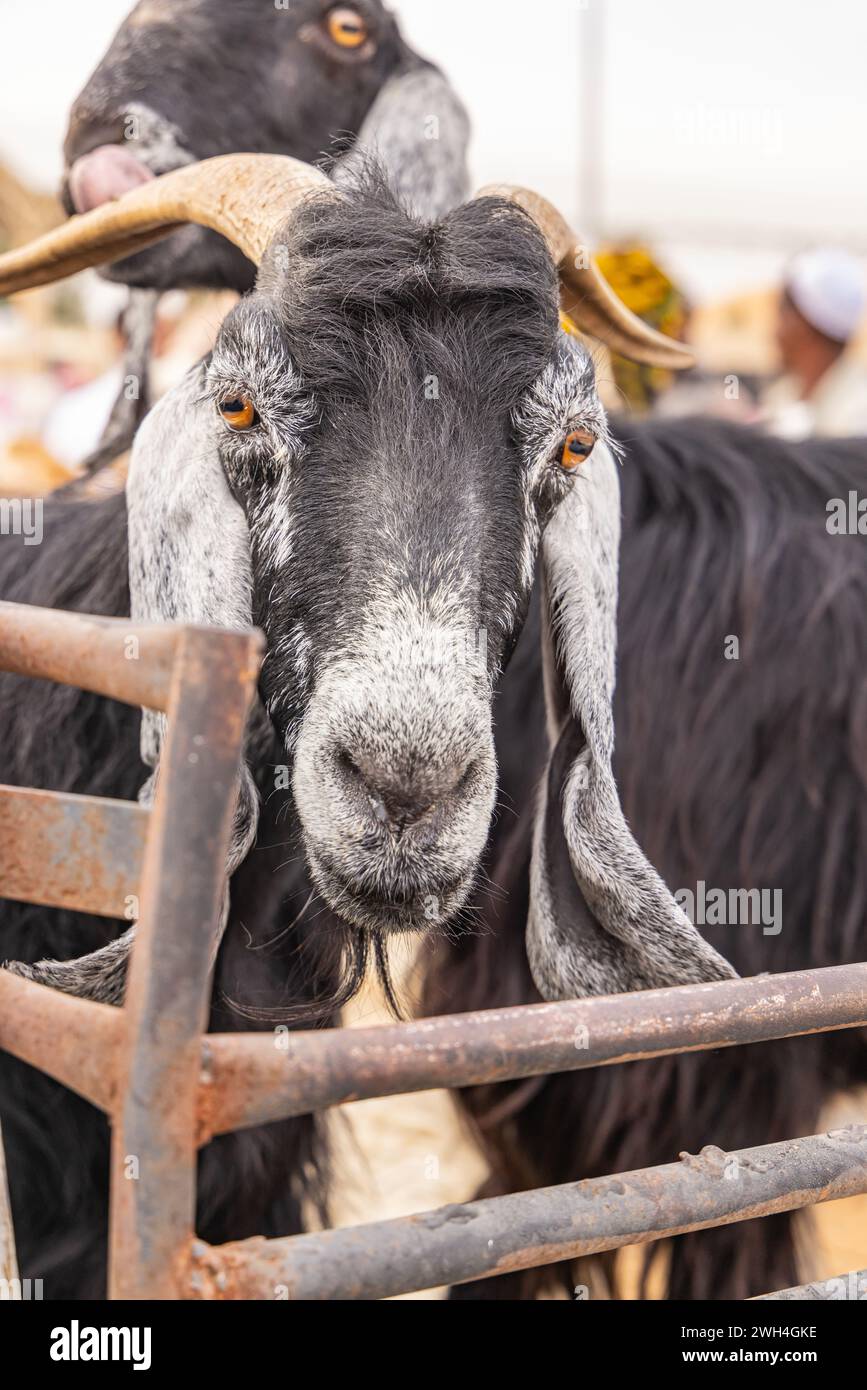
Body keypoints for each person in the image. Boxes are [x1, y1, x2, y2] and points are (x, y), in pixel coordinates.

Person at [762, 247, 867, 438]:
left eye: (782, 311)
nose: (774, 330)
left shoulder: (858, 413)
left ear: (803, 323)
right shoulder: (781, 397)